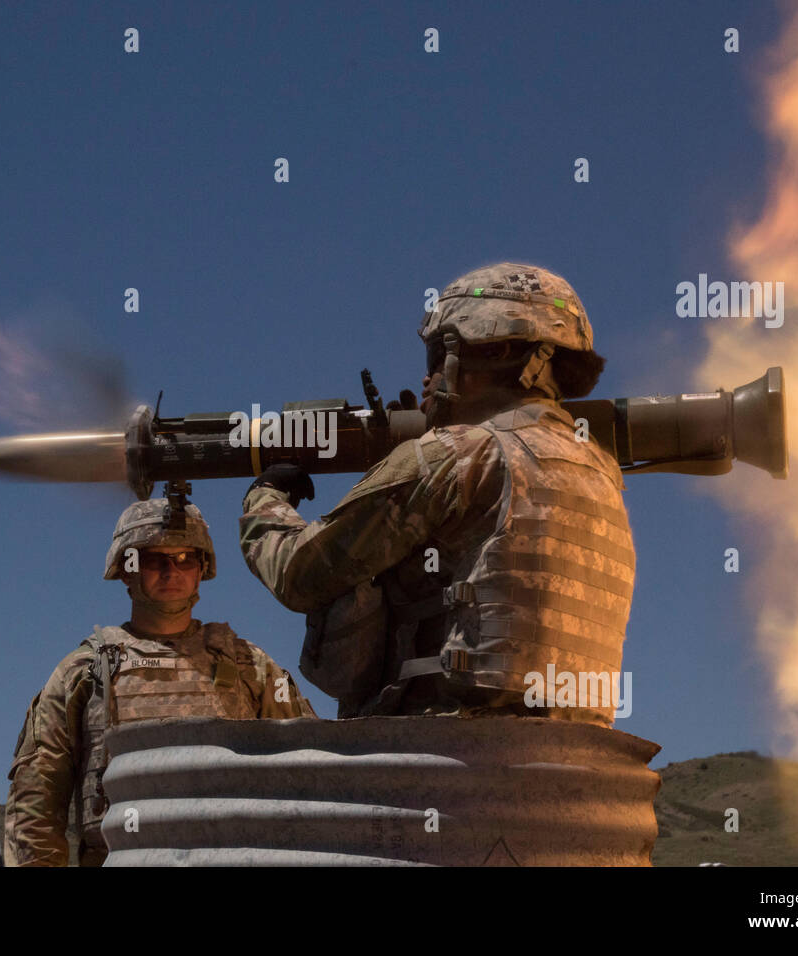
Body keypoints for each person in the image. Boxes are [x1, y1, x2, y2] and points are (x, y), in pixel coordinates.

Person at [239, 262, 635, 725]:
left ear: (498, 348)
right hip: (578, 758)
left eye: (436, 359)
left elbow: (299, 572)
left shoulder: (456, 454)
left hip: (446, 760)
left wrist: (265, 498)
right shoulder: (601, 469)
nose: (427, 379)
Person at [4, 494, 315, 867]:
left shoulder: (250, 666)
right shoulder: (84, 671)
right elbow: (35, 809)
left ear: (202, 568)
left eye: (186, 559)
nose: (172, 572)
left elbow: (307, 773)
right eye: (154, 560)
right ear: (126, 570)